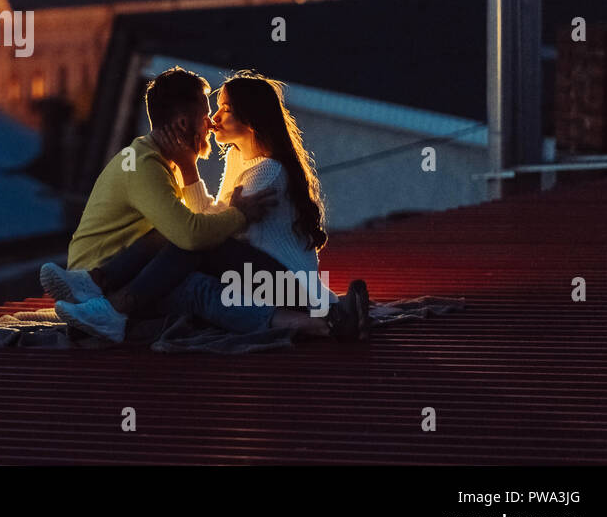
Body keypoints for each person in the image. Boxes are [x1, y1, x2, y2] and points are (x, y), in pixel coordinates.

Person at [48, 70, 371, 343]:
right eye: (209, 113)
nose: (213, 120)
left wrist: (195, 178)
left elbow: (209, 232)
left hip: (285, 284)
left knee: (190, 243)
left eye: (223, 110)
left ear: (251, 119)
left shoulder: (268, 172)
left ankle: (112, 304)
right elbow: (210, 222)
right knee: (185, 239)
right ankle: (101, 290)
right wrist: (205, 188)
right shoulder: (234, 159)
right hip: (251, 272)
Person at [39, 67, 278, 342]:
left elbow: (187, 230)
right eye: (204, 117)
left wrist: (190, 169)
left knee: (181, 245)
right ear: (184, 124)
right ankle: (102, 299)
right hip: (116, 280)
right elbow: (191, 235)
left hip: (139, 271)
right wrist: (240, 215)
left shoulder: (160, 160)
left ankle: (97, 285)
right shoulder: (144, 165)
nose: (211, 125)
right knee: (196, 286)